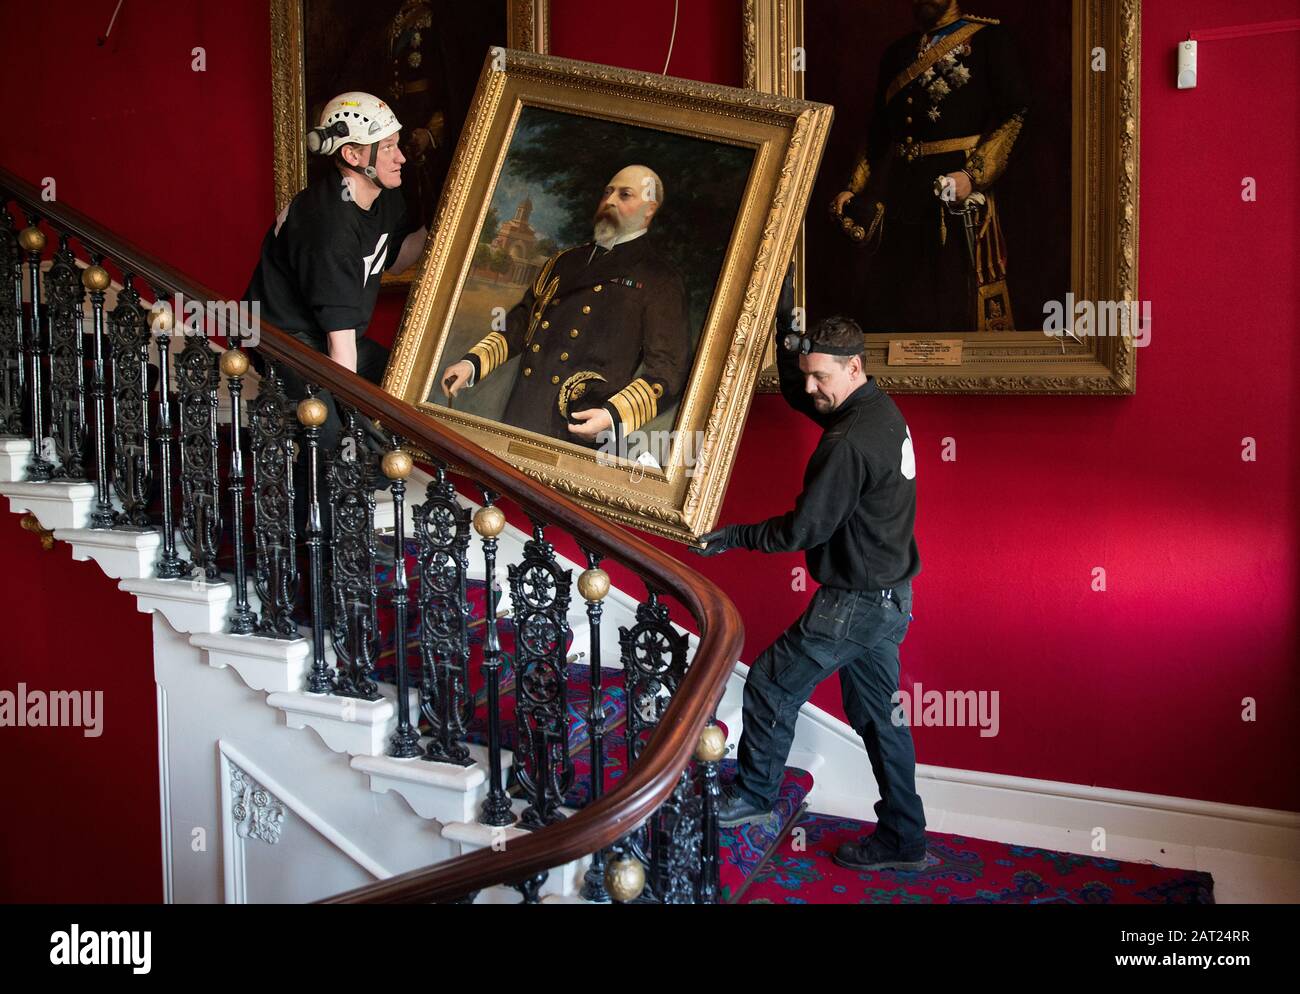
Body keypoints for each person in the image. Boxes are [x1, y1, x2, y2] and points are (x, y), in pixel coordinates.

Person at [696, 301, 928, 871]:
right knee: (878, 719)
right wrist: (786, 335)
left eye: (821, 376)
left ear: (853, 367)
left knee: (772, 683)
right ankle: (905, 836)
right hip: (889, 596)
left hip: (854, 603)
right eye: (807, 373)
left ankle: (752, 797)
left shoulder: (848, 443)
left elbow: (804, 530)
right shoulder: (876, 408)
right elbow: (807, 399)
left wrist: (734, 536)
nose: (810, 387)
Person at [440, 164, 690, 447]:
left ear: (649, 210)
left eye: (625, 195)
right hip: (523, 410)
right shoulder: (565, 261)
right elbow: (522, 320)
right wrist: (472, 363)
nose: (609, 201)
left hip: (582, 423)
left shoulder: (660, 278)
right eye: (608, 192)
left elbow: (668, 369)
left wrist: (613, 415)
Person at [243, 90, 428, 459]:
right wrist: (355, 420)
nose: (401, 156)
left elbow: (394, 260)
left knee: (406, 378)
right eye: (388, 147)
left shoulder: (384, 197)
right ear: (353, 155)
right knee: (332, 438)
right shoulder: (328, 227)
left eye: (397, 144)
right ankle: (324, 505)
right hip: (283, 337)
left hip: (330, 333)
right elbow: (339, 346)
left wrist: (444, 231)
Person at [829, 0, 1028, 334]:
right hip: (902, 196)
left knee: (950, 302)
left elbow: (1015, 113)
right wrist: (854, 186)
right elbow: (879, 131)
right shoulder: (897, 52)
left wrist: (972, 175)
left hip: (956, 193)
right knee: (897, 304)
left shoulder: (990, 40)